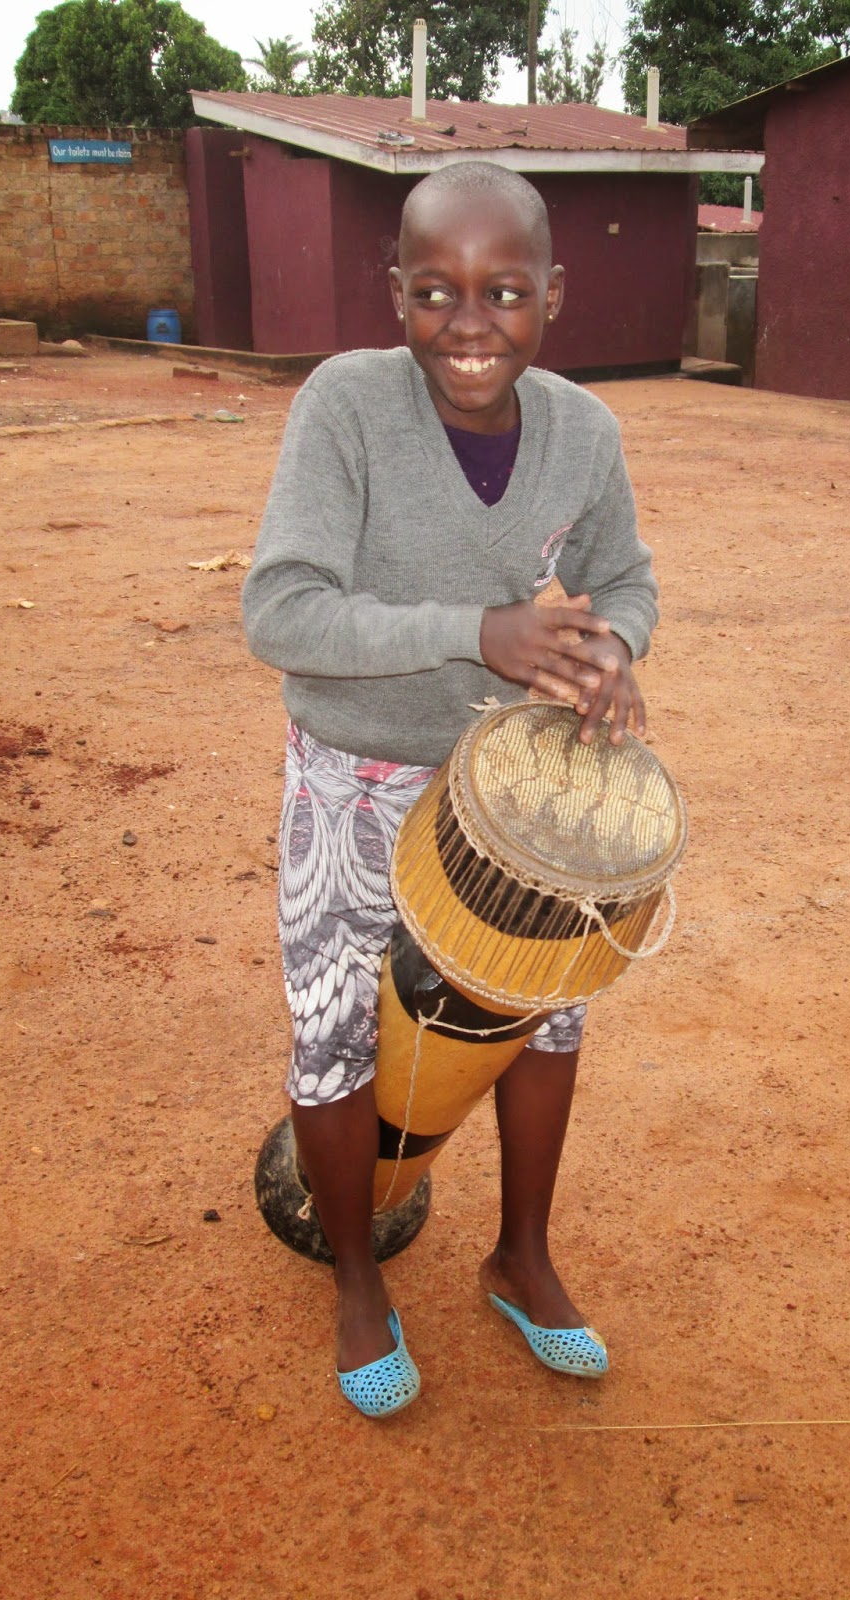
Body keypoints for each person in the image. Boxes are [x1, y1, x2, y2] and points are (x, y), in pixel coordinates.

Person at [242, 160, 659, 1417]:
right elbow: (281, 610)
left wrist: (614, 645)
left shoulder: (584, 433)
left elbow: (627, 578)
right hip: (352, 772)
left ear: (553, 294)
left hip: (506, 787)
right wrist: (478, 631)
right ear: (396, 292)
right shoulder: (347, 405)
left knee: (544, 1013)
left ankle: (521, 1256)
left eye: (505, 292)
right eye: (435, 292)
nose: (469, 324)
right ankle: (359, 1278)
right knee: (337, 1028)